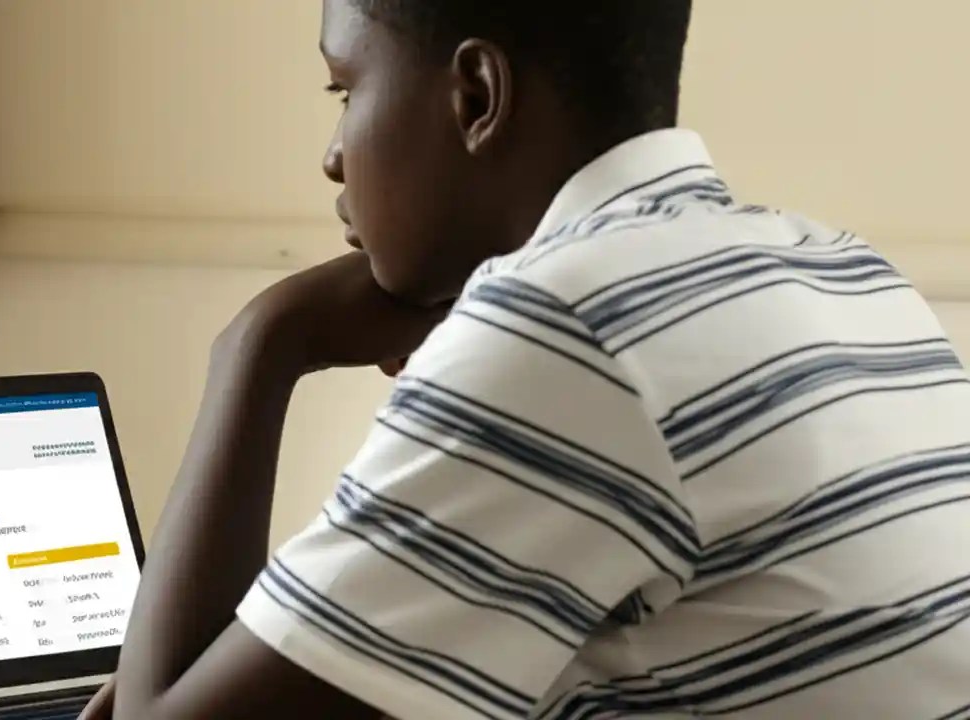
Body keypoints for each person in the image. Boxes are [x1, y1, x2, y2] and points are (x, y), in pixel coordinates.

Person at [81, 1, 970, 718]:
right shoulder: (843, 269)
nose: (333, 155)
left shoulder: (564, 324)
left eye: (343, 90)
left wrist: (263, 342)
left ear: (475, 96)